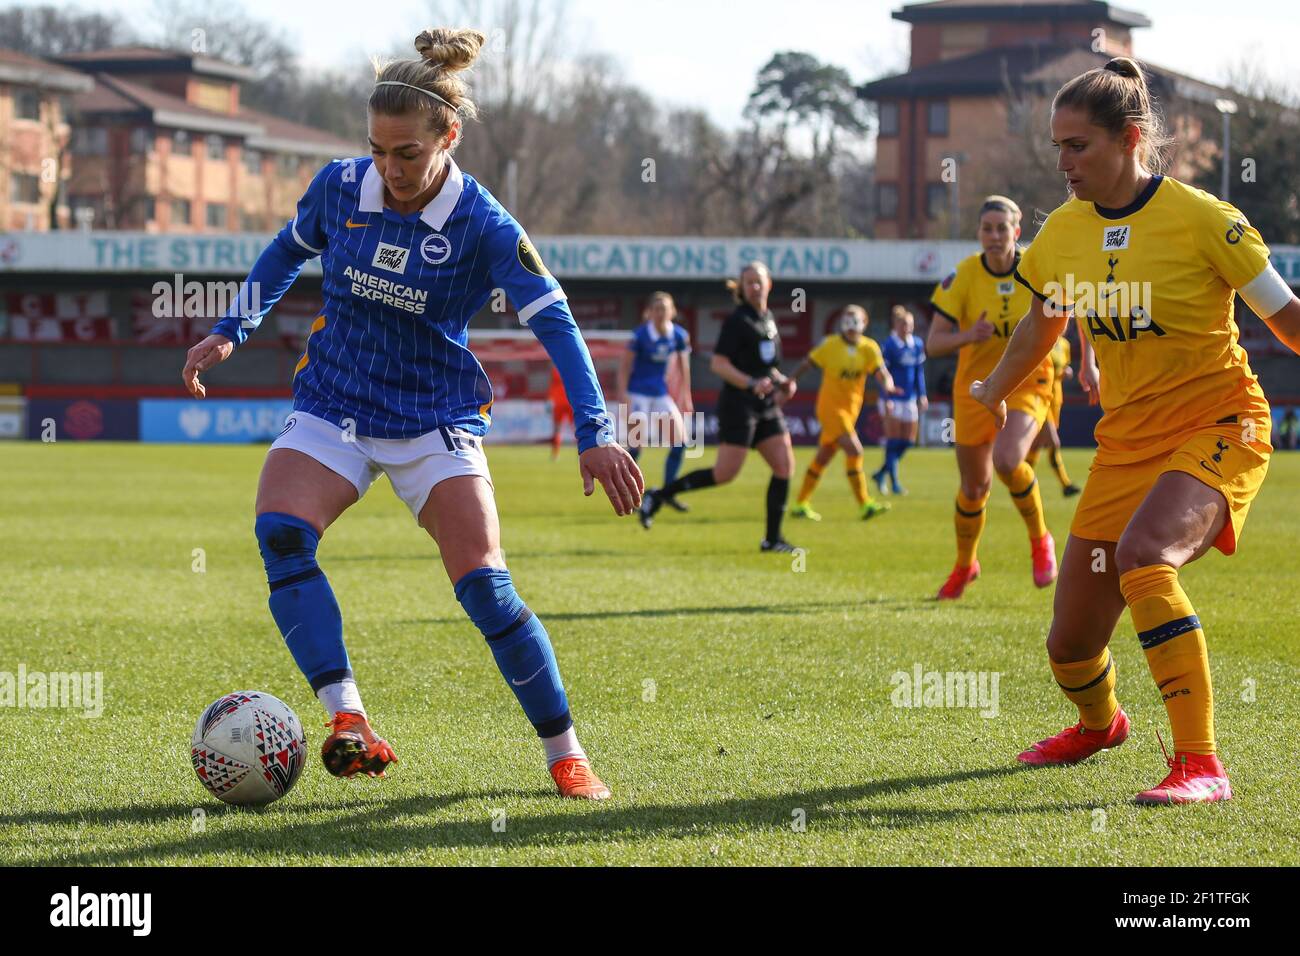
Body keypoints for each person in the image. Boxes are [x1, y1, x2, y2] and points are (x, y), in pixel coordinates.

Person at [180, 28, 644, 800]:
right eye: (377, 150)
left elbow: (555, 320)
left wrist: (596, 431)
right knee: (281, 534)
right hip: (335, 401)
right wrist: (232, 328)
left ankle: (566, 755)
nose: (389, 170)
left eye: (407, 154)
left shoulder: (485, 225)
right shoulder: (340, 187)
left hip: (434, 419)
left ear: (448, 136)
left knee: (485, 587)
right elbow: (285, 250)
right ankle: (348, 719)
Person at [971, 56, 1300, 803]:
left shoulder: (1207, 220)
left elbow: (1289, 322)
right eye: (1057, 146)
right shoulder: (1062, 233)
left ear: (1130, 138)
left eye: (1077, 145)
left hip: (1222, 423)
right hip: (1127, 444)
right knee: (1071, 646)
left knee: (1146, 556)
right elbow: (1043, 319)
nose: (1063, 162)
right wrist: (996, 384)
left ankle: (1201, 765)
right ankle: (1100, 724)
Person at [928, 195, 1059, 600]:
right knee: (973, 489)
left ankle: (1041, 541)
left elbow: (1074, 314)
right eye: (988, 228)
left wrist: (1087, 364)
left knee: (1006, 459)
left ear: (1016, 232)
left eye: (1003, 228)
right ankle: (965, 565)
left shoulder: (1038, 269)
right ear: (979, 233)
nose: (995, 236)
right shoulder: (963, 276)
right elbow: (933, 344)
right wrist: (969, 335)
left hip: (1028, 383)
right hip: (974, 390)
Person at [639, 261, 799, 552]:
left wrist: (782, 381)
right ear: (741, 287)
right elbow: (719, 364)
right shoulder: (737, 320)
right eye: (748, 282)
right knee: (725, 474)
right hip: (739, 405)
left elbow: (768, 367)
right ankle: (659, 495)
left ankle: (772, 539)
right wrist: (750, 383)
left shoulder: (768, 319)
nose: (754, 286)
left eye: (758, 281)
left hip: (765, 405)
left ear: (769, 284)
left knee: (784, 465)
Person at [787, 305, 894, 521]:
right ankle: (865, 504)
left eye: (856, 320)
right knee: (855, 451)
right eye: (848, 319)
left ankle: (800, 504)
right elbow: (807, 363)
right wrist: (791, 380)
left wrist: (888, 385)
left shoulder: (869, 348)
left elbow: (880, 372)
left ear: (864, 323)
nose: (852, 325)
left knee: (823, 457)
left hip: (851, 410)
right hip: (830, 409)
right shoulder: (830, 345)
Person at [616, 291, 693, 510]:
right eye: (656, 309)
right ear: (649, 312)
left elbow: (683, 367)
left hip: (660, 394)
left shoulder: (678, 335)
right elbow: (624, 367)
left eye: (664, 309)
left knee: (681, 442)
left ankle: (668, 491)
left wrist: (685, 396)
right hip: (638, 393)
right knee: (636, 446)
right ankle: (626, 492)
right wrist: (623, 395)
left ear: (672, 312)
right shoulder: (639, 336)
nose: (660, 313)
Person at [872, 305, 928, 496]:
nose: (908, 328)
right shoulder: (889, 345)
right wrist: (886, 397)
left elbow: (919, 372)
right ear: (896, 325)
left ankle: (880, 473)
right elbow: (882, 374)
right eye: (904, 324)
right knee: (894, 440)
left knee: (908, 441)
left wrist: (922, 395)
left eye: (910, 324)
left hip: (910, 398)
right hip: (893, 398)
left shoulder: (917, 344)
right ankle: (894, 482)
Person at [1025, 334, 1082, 496]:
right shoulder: (1043, 339)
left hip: (1057, 398)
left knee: (1036, 444)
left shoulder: (1064, 344)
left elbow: (1061, 368)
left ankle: (1020, 479)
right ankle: (1066, 484)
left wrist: (1065, 372)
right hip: (1042, 397)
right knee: (1053, 442)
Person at [548, 365, 572, 460]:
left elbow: (551, 384)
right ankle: (581, 452)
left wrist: (550, 398)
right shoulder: (571, 366)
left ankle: (555, 454)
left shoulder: (556, 368)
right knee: (577, 429)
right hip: (567, 401)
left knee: (557, 429)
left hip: (561, 401)